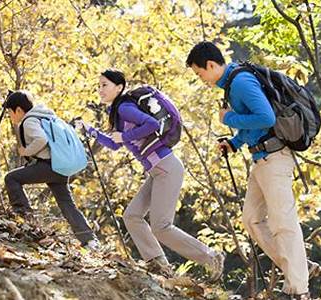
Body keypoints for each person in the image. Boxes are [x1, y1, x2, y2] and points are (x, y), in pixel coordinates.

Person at [186, 41, 321, 299]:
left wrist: (228, 119)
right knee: (251, 219)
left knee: (283, 223)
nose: (200, 78)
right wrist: (234, 142)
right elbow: (255, 125)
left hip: (274, 158)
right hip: (261, 159)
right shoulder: (232, 83)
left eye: (199, 72)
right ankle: (298, 267)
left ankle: (299, 290)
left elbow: (267, 118)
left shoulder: (240, 82)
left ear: (211, 65)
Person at [75, 69, 224, 281]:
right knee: (132, 216)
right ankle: (158, 264)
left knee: (161, 226)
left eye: (104, 85)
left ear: (119, 87)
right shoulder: (119, 112)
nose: (100, 90)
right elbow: (115, 143)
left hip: (165, 166)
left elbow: (152, 125)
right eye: (98, 85)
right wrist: (90, 130)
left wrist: (125, 135)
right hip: (158, 170)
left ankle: (211, 257)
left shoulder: (125, 108)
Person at [3, 90, 100, 250]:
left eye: (10, 112)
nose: (10, 117)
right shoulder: (46, 115)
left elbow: (41, 139)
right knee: (67, 204)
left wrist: (25, 151)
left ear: (18, 110)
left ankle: (25, 222)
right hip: (60, 166)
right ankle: (90, 240)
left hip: (48, 165)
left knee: (11, 178)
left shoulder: (28, 121)